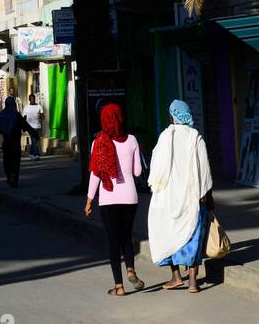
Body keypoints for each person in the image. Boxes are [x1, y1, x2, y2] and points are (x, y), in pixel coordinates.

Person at [148, 99, 213, 293]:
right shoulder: (195, 137)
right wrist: (208, 197)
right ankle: (193, 281)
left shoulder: (164, 137)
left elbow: (156, 170)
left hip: (168, 198)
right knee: (193, 236)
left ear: (172, 116)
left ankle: (176, 276)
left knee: (170, 235)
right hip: (191, 197)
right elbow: (205, 170)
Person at [84, 103, 146, 297]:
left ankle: (118, 286)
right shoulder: (132, 140)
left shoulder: (98, 142)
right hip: (130, 196)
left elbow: (95, 174)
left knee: (113, 241)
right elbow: (137, 172)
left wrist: (89, 200)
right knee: (126, 236)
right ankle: (130, 269)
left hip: (108, 198)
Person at [0, 96, 33, 187]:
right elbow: (25, 126)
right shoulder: (17, 115)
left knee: (7, 161)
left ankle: (9, 176)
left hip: (7, 143)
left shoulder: (1, 115)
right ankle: (14, 177)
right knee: (16, 161)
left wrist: (5, 132)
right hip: (16, 143)